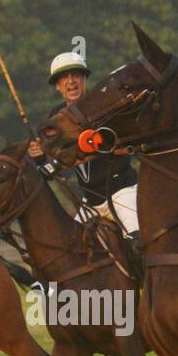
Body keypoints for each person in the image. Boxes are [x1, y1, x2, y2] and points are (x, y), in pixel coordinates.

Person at [28, 52, 140, 239]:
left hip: (121, 192)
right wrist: (39, 155)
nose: (71, 81)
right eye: (64, 77)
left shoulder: (103, 105)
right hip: (89, 201)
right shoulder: (55, 117)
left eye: (76, 75)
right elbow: (48, 167)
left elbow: (107, 143)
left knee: (137, 242)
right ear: (57, 86)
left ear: (85, 79)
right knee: (72, 250)